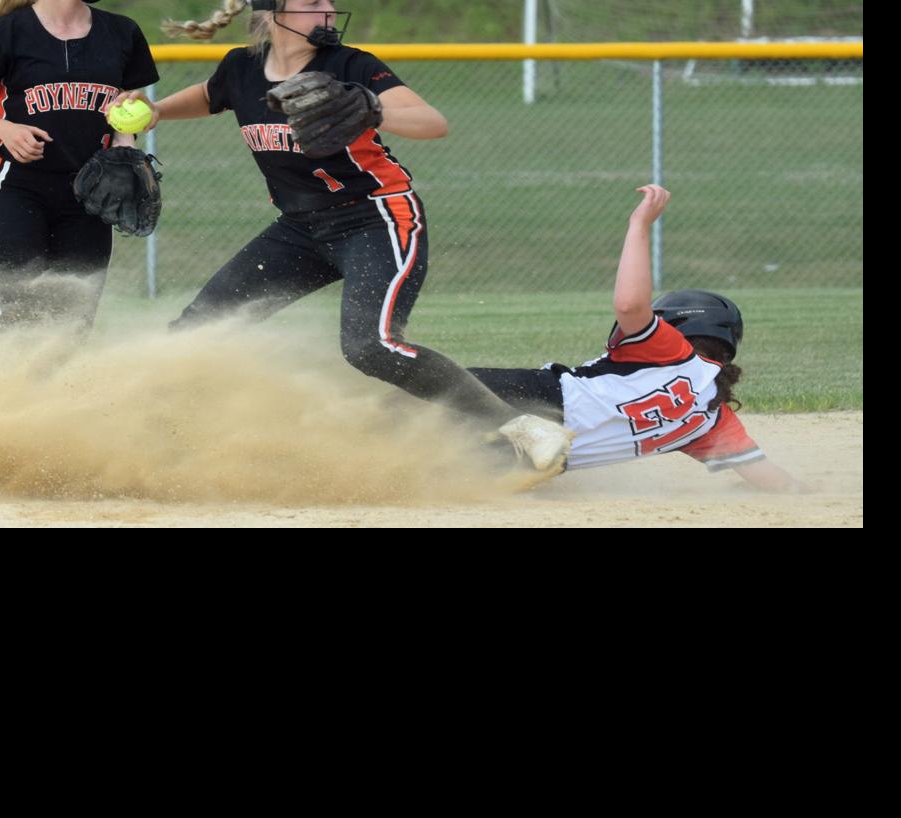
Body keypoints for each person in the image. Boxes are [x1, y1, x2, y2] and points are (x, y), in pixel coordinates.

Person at [120, 0, 573, 472]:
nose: (330, 10)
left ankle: (525, 430)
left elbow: (432, 123)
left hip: (377, 219)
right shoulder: (242, 67)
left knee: (370, 346)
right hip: (299, 229)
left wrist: (371, 108)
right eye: (313, 3)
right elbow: (211, 94)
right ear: (273, 12)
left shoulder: (351, 66)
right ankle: (161, 438)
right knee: (197, 331)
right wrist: (154, 111)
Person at [467, 186, 807, 492]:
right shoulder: (711, 420)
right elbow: (769, 477)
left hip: (541, 398)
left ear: (677, 324)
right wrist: (801, 490)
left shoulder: (673, 353)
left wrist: (639, 225)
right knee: (440, 465)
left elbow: (630, 306)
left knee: (427, 380)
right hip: (535, 464)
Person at [0, 0, 160, 333]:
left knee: (75, 316)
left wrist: (123, 142)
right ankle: (6, 384)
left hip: (90, 193)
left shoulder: (121, 32)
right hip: (16, 188)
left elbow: (124, 108)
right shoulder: (3, 34)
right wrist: (6, 129)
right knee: (20, 312)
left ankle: (62, 386)